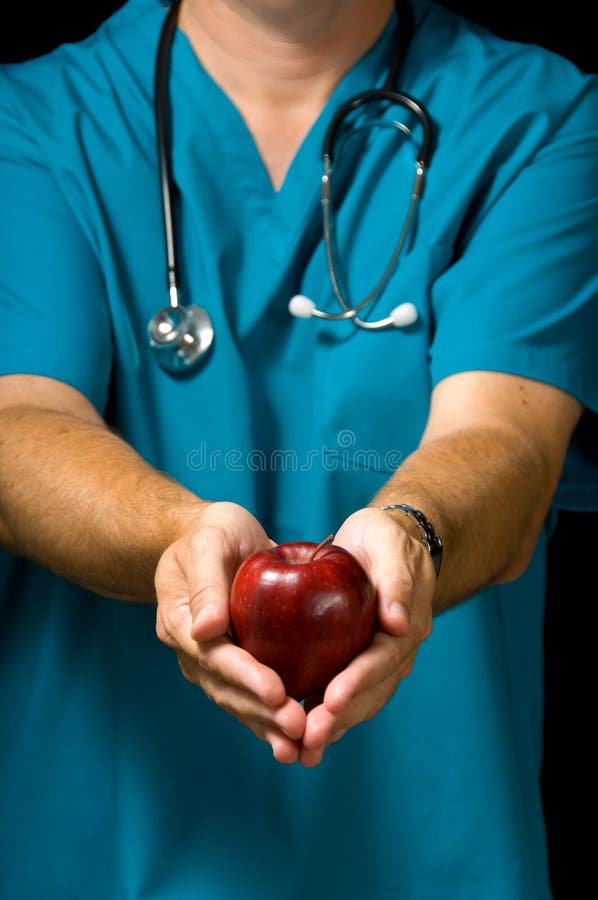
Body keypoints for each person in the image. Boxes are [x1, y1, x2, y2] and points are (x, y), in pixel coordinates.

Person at [0, 0, 596, 897]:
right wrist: (184, 540)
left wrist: (410, 534)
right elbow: (17, 434)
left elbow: (507, 441)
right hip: (104, 857)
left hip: (431, 860)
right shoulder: (38, 119)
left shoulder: (536, 116)